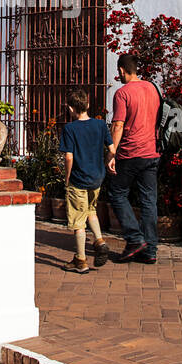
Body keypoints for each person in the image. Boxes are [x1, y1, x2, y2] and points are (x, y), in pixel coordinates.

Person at [107, 53, 161, 263]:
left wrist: (112, 153)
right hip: (152, 151)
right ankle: (150, 250)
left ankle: (135, 239)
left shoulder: (123, 93)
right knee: (149, 201)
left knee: (117, 193)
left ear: (121, 70)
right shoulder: (153, 89)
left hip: (131, 152)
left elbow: (118, 124)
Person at [58, 87, 114, 273]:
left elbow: (68, 157)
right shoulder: (100, 125)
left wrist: (67, 178)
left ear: (71, 108)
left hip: (78, 180)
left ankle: (81, 260)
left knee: (78, 221)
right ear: (88, 104)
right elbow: (112, 149)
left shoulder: (70, 129)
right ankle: (99, 240)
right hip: (97, 178)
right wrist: (106, 163)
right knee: (91, 210)